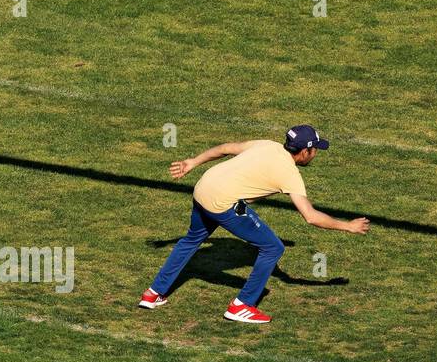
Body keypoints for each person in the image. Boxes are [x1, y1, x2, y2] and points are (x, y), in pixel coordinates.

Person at [139, 125, 369, 323]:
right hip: (222, 202)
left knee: (191, 240)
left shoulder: (267, 145)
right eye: (315, 149)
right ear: (304, 151)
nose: (316, 153)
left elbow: (225, 148)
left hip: (203, 187)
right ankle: (241, 306)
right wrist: (347, 226)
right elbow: (310, 216)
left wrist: (193, 162)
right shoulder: (289, 173)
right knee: (273, 248)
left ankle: (153, 293)